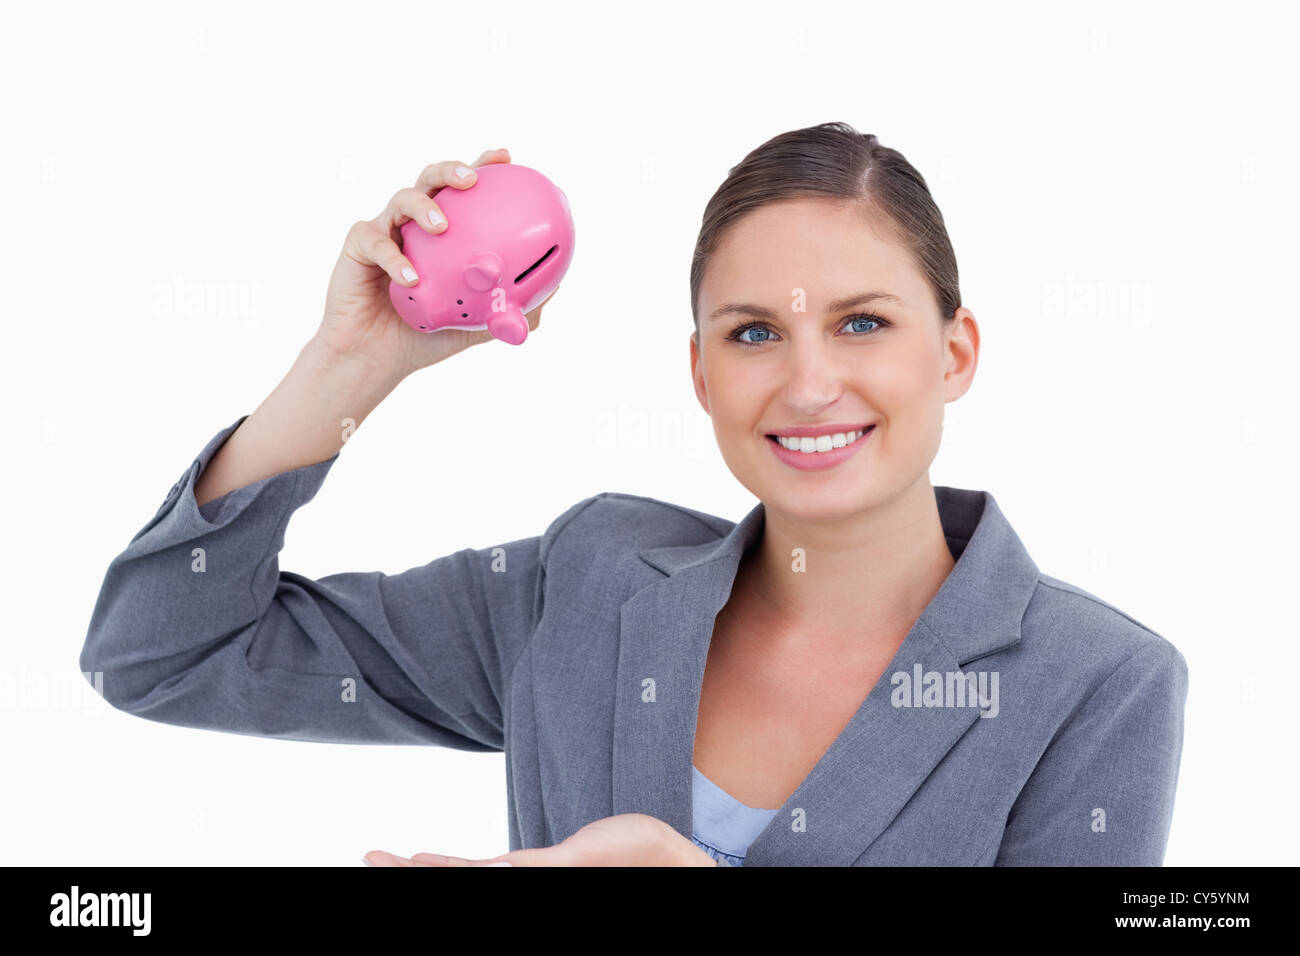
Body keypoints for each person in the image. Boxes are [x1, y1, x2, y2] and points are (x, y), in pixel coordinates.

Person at [80, 123, 1188, 867]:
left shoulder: (1097, 683)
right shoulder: (588, 581)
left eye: (861, 322)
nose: (808, 382)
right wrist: (349, 366)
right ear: (701, 374)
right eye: (753, 332)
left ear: (953, 352)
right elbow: (161, 651)